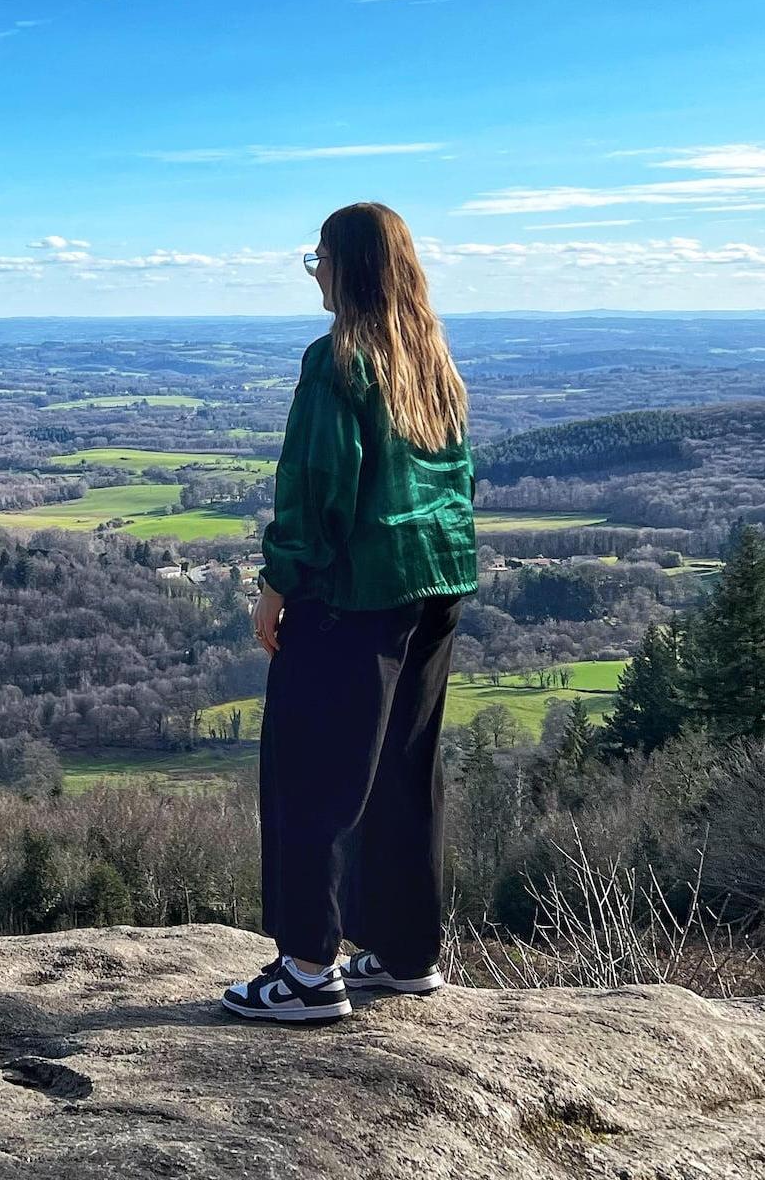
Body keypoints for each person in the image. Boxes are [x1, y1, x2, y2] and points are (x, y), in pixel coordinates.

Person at [220, 201, 479, 1023]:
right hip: (435, 586)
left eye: (319, 258)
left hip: (355, 592)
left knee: (313, 775)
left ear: (349, 267)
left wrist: (278, 583)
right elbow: (458, 483)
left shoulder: (337, 360)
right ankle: (403, 954)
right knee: (404, 770)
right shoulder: (430, 357)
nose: (316, 273)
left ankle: (304, 972)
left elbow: (315, 487)